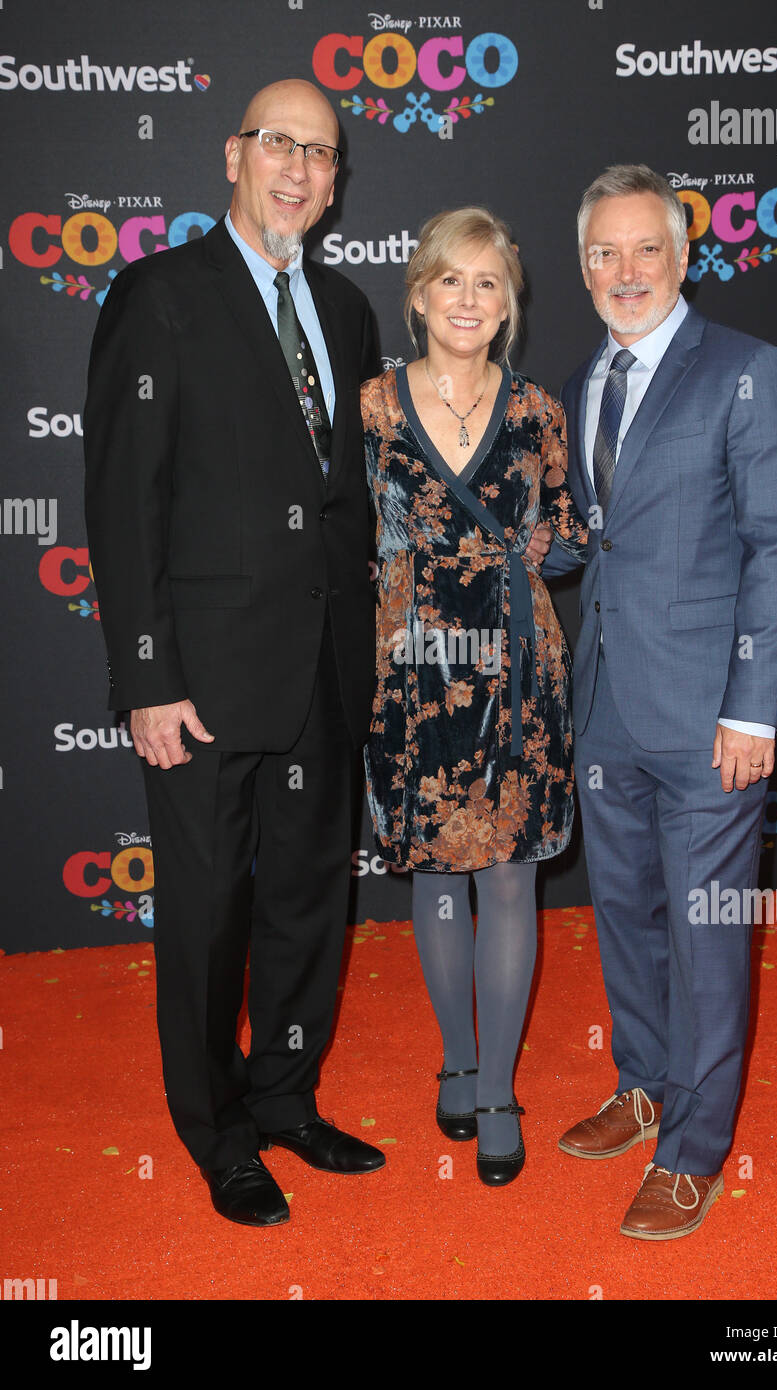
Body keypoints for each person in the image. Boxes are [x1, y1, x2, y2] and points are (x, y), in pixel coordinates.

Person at [83, 80, 386, 1227]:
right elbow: (123, 501)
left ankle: (286, 1097)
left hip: (319, 668)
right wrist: (147, 679)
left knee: (308, 901)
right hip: (202, 681)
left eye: (321, 153)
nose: (300, 169)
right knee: (208, 915)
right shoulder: (160, 297)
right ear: (232, 156)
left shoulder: (346, 310)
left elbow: (343, 502)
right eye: (279, 145)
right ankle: (216, 1133)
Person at [541, 164, 777, 1238]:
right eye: (602, 252)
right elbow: (584, 537)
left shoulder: (750, 372)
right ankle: (644, 1082)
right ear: (582, 266)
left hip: (711, 715)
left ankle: (693, 1146)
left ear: (683, 254)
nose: (624, 271)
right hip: (606, 702)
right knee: (626, 915)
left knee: (706, 932)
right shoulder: (581, 380)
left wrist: (752, 711)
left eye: (643, 248)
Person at [361, 208, 589, 1186]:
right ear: (418, 295)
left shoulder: (538, 410)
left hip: (514, 667)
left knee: (507, 878)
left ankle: (496, 1086)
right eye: (450, 280)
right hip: (412, 666)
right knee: (436, 877)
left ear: (509, 305)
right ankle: (454, 1054)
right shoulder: (370, 405)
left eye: (487, 283)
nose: (468, 299)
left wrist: (554, 544)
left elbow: (573, 534)